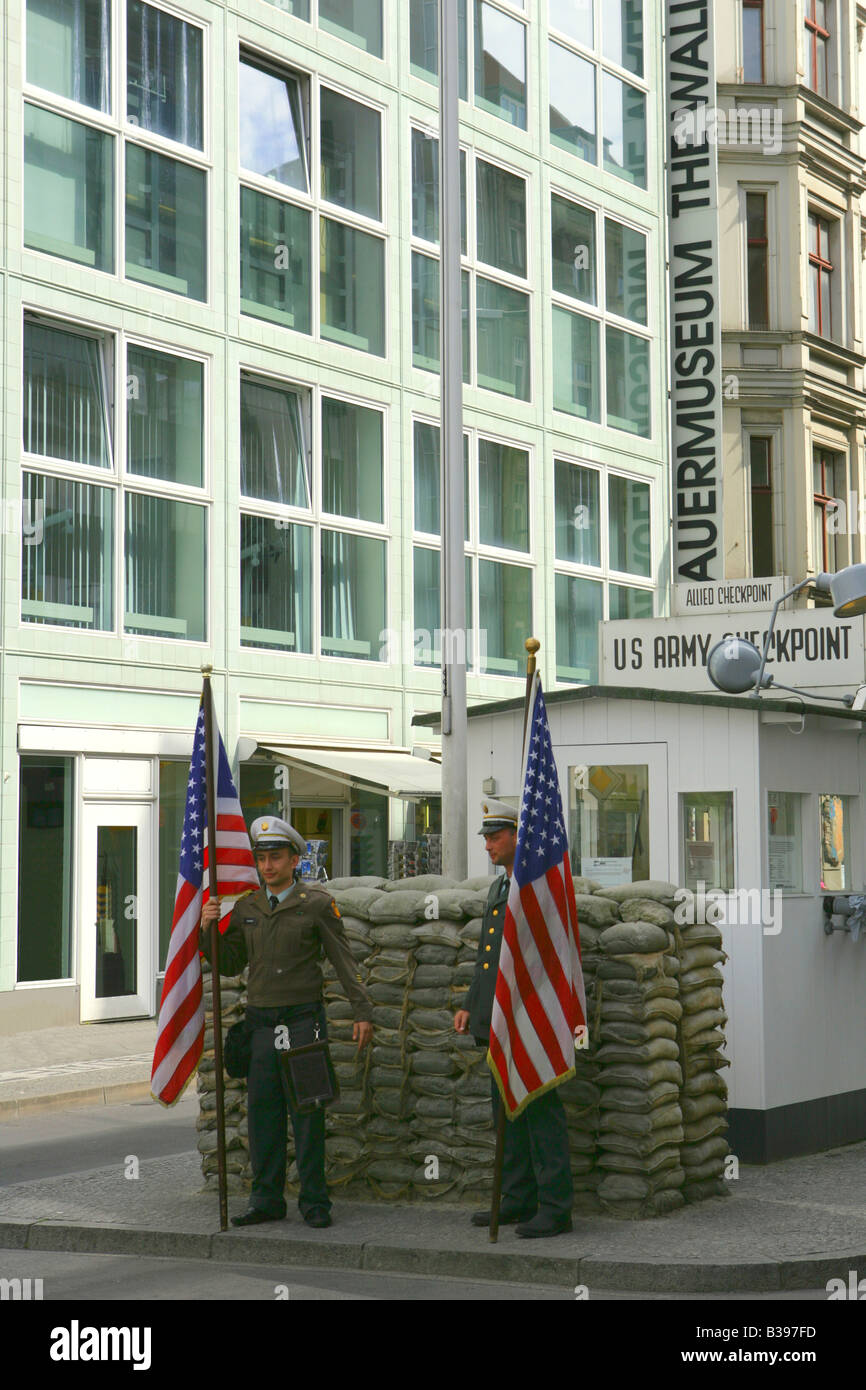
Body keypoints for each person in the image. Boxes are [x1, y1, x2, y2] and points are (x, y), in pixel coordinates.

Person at [200, 816, 372, 1228]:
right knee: (263, 1115)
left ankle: (314, 1201)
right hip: (261, 1022)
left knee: (308, 1113)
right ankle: (267, 1199)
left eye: (275, 858)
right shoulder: (247, 907)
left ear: (295, 860)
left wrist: (362, 1011)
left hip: (302, 1022)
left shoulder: (315, 903)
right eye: (262, 859)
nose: (267, 867)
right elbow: (231, 964)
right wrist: (208, 931)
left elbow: (343, 959)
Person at [454, 798, 574, 1238]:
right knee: (506, 1111)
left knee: (542, 1113)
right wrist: (472, 1003)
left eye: (495, 836)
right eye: (485, 837)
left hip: (529, 1017)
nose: (487, 844)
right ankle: (518, 1198)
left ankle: (556, 1207)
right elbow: (490, 955)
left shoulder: (534, 886)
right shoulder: (501, 888)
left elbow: (544, 955)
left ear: (518, 837)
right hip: (499, 1017)